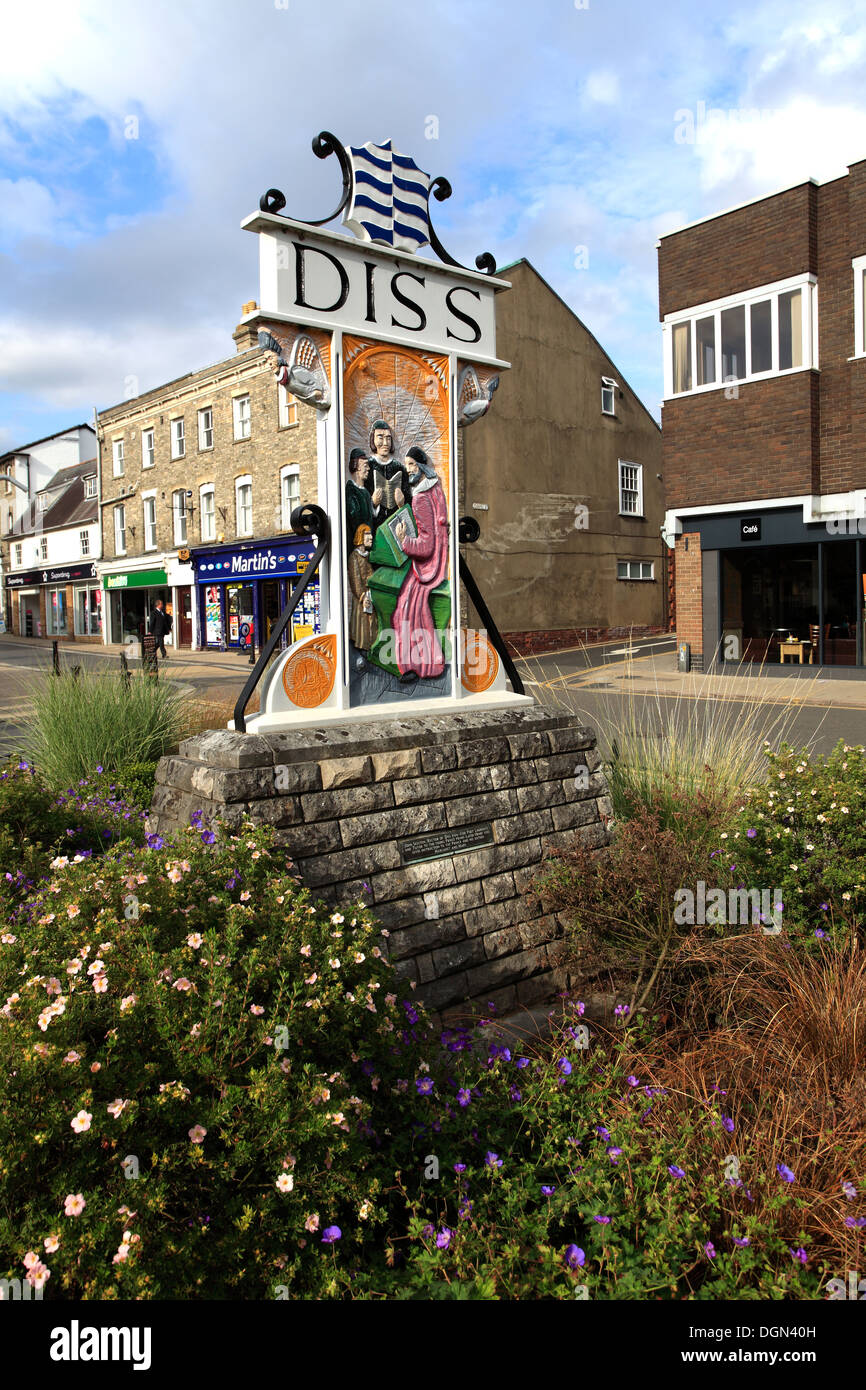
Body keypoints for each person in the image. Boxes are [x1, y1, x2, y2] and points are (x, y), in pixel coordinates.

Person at [392, 447, 449, 682]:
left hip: (428, 566)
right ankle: (428, 664)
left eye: (412, 465)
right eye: (406, 466)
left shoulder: (421, 498)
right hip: (439, 561)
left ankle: (417, 667)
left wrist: (404, 539)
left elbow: (425, 546)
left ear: (422, 466)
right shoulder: (436, 490)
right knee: (411, 610)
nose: (408, 470)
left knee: (405, 611)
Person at [365, 421, 409, 520]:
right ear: (373, 439)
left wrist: (402, 504)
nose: (385, 443)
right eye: (380, 437)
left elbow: (409, 499)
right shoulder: (368, 466)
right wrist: (373, 504)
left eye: (388, 438)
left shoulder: (399, 468)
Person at [347, 524, 377, 657]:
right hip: (362, 596)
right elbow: (355, 578)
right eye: (367, 534)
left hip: (370, 593)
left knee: (371, 621)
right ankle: (363, 649)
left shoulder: (368, 556)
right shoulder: (354, 556)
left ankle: (371, 646)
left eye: (370, 534)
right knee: (362, 624)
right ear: (360, 536)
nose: (371, 537)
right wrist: (362, 596)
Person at [345, 450, 382, 553]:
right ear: (356, 466)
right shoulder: (351, 490)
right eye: (365, 465)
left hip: (368, 545)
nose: (368, 469)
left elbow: (370, 517)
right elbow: (355, 518)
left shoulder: (365, 492)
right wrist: (372, 504)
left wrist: (373, 505)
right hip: (357, 546)